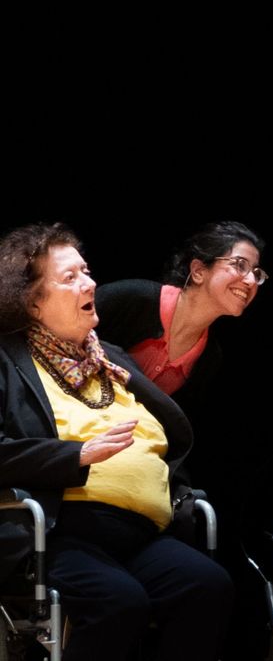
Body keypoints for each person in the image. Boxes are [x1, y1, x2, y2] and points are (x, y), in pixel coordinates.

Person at [0, 223, 232, 661]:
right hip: (60, 531)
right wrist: (76, 455)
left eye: (86, 271)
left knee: (207, 585)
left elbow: (165, 441)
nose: (89, 283)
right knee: (120, 603)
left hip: (141, 532)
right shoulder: (9, 361)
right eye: (69, 278)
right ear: (32, 302)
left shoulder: (112, 358)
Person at [94, 221, 266, 401]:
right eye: (240, 265)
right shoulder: (131, 297)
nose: (251, 281)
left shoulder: (209, 359)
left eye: (256, 273)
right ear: (199, 271)